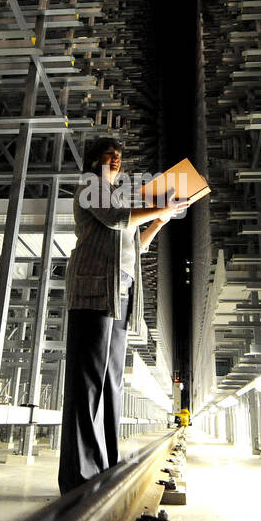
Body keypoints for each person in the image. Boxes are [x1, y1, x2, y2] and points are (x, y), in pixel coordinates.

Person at [58, 137, 189, 493]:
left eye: (118, 156)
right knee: (88, 383)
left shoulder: (119, 195)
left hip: (119, 292)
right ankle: (78, 476)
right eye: (108, 155)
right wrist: (158, 210)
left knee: (110, 382)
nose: (115, 160)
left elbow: (135, 243)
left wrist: (161, 220)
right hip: (93, 289)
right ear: (93, 160)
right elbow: (117, 222)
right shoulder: (91, 185)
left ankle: (105, 466)